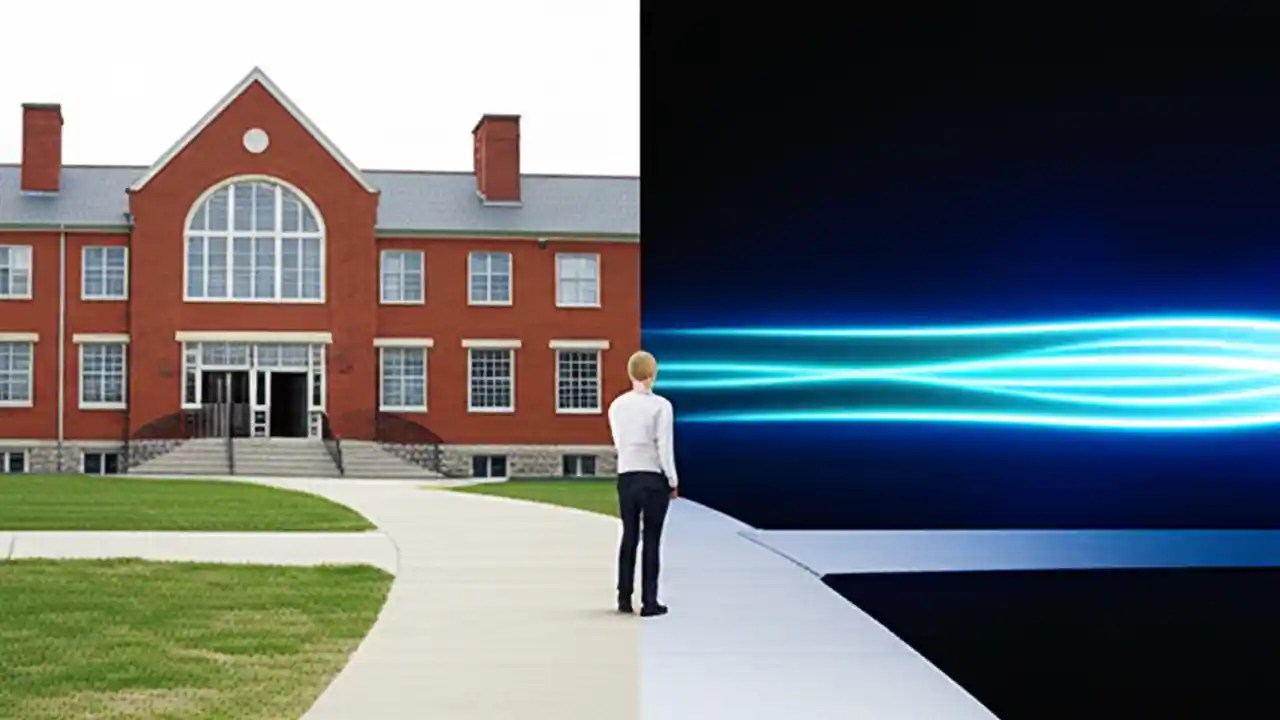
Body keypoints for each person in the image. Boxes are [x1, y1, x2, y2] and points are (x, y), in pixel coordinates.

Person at [608, 350, 679, 617]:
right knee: (651, 539)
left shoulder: (617, 405)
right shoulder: (661, 406)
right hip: (652, 476)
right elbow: (664, 445)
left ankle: (623, 597)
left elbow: (618, 442)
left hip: (627, 474)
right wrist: (671, 478)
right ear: (652, 375)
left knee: (629, 535)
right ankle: (650, 601)